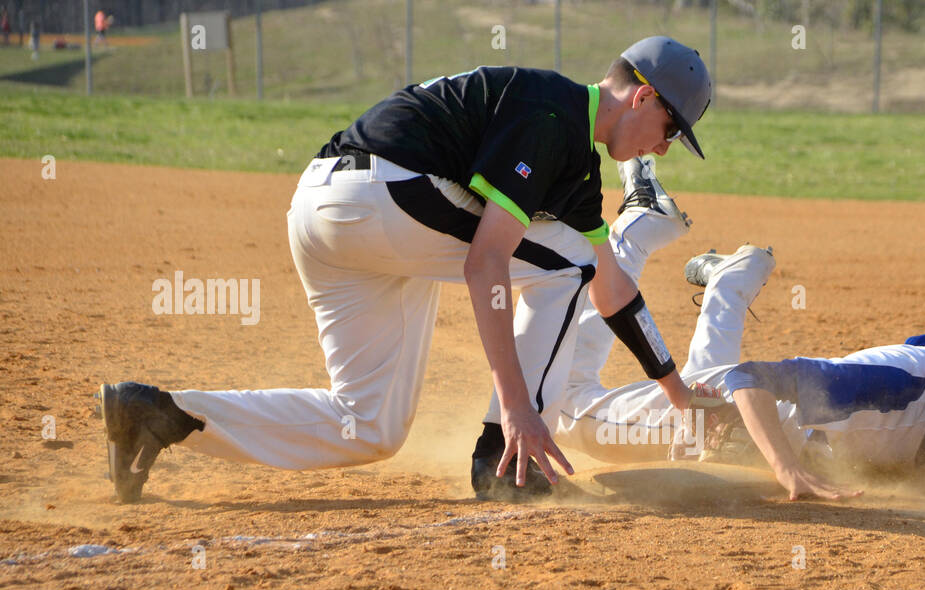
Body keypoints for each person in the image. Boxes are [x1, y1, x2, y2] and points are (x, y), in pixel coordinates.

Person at [96, 36, 712, 504]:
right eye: (669, 129)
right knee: (566, 261)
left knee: (370, 426)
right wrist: (518, 405)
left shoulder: (575, 164)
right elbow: (487, 263)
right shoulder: (552, 113)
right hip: (383, 194)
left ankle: (160, 414)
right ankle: (507, 457)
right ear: (644, 96)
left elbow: (612, 287)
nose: (664, 148)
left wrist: (678, 393)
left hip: (325, 211)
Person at [555, 160, 925, 501]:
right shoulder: (889, 383)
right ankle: (639, 229)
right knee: (562, 412)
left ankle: (735, 277)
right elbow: (748, 379)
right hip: (724, 415)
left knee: (708, 367)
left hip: (754, 411)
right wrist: (784, 468)